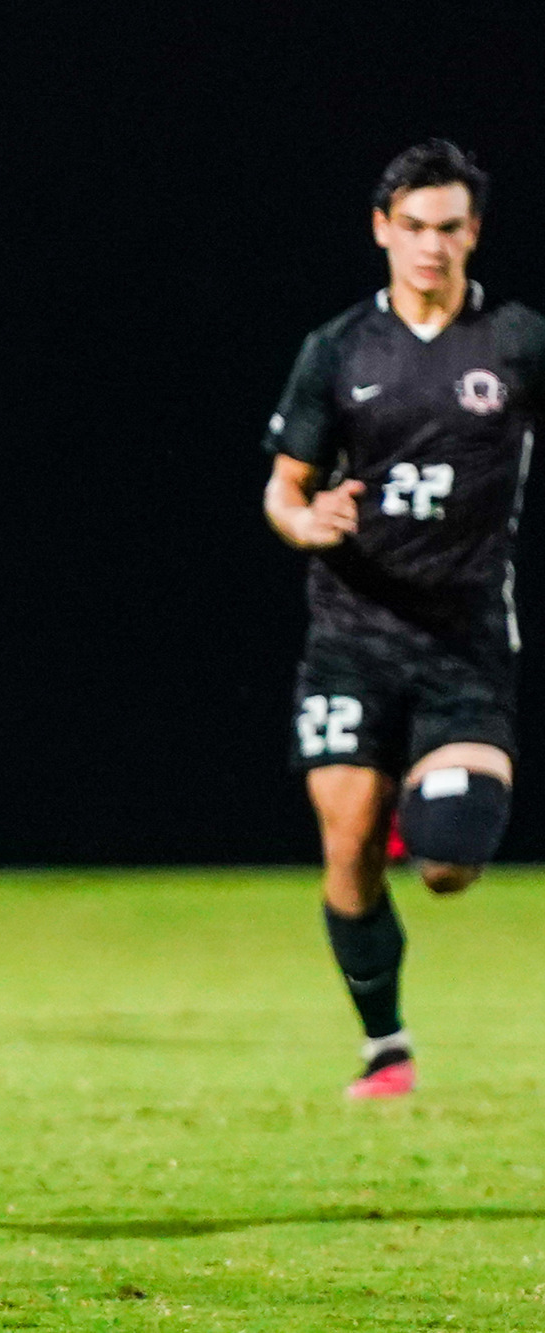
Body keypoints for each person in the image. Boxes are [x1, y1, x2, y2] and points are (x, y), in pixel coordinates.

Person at [261, 140, 544, 1099]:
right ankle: (387, 1046)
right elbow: (282, 490)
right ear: (383, 230)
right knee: (344, 846)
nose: (431, 245)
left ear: (474, 233)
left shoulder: (516, 342)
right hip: (350, 639)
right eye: (413, 227)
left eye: (450, 228)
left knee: (451, 861)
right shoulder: (338, 349)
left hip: (465, 646)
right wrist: (308, 519)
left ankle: (415, 811)